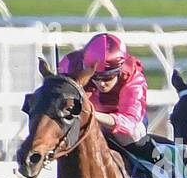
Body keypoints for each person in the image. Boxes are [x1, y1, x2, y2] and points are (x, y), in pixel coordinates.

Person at [57, 32, 160, 162]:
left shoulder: (133, 77)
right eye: (95, 77)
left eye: (108, 78)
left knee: (130, 135)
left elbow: (129, 123)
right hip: (84, 119)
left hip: (124, 123)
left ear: (119, 71)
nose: (101, 83)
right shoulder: (70, 66)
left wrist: (91, 114)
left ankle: (156, 172)